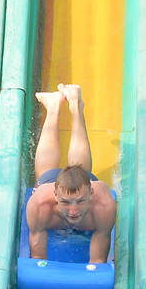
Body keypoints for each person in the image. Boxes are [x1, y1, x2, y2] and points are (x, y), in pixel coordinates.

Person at [24, 84, 117, 262]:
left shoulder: (104, 205)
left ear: (91, 193)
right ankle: (53, 107)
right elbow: (38, 261)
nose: (73, 211)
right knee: (46, 172)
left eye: (80, 201)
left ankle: (75, 105)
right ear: (55, 195)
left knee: (81, 170)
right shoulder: (40, 205)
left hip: (83, 182)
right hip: (51, 183)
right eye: (65, 202)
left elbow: (98, 262)